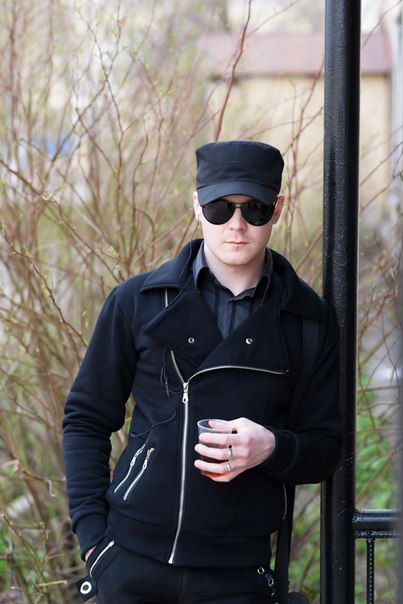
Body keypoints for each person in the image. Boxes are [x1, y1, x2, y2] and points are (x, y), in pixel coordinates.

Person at [63, 140, 342, 604]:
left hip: (237, 576)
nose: (237, 224)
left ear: (278, 209)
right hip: (130, 565)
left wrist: (270, 447)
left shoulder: (307, 322)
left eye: (254, 208)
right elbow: (86, 419)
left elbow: (326, 448)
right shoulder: (138, 302)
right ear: (196, 206)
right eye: (219, 207)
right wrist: (94, 542)